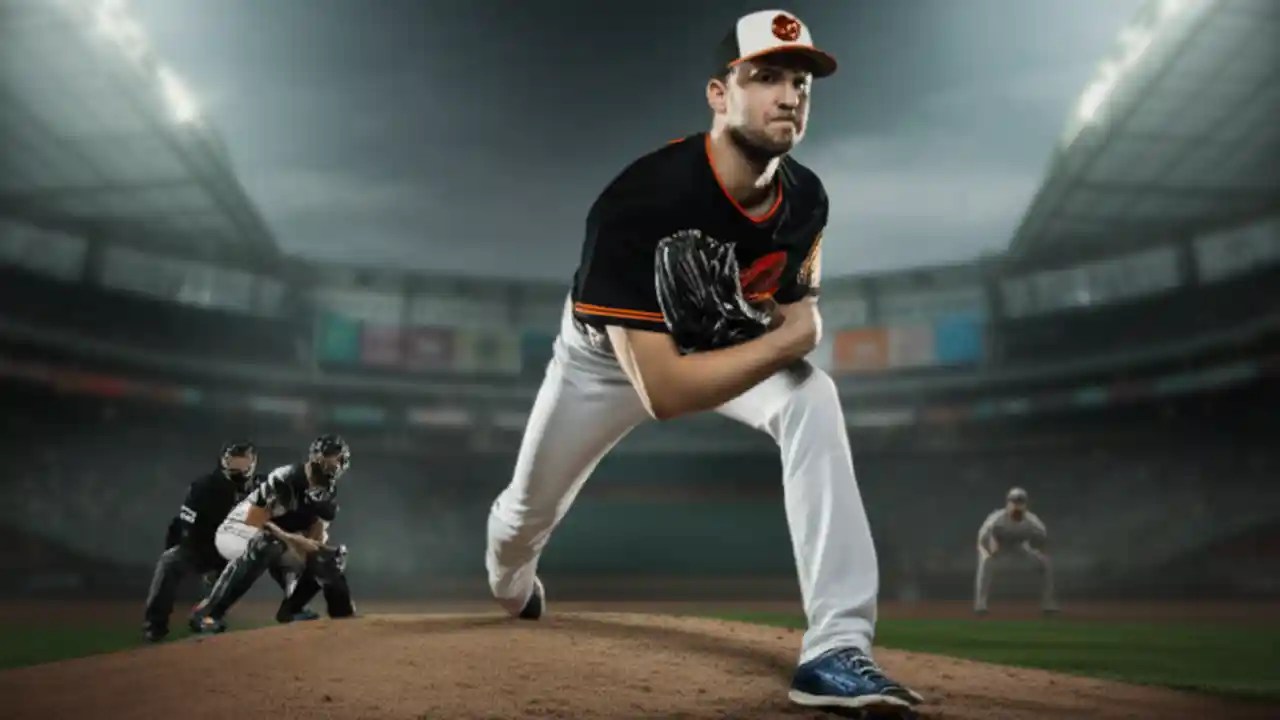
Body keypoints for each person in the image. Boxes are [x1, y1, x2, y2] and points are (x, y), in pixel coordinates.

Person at [484, 10, 923, 714]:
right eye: (767, 77)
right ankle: (513, 581)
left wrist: (788, 338)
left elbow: (795, 310)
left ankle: (838, 647)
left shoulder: (806, 196)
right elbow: (663, 391)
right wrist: (787, 340)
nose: (790, 96)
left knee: (813, 398)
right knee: (520, 520)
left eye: (802, 82)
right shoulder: (640, 202)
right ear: (719, 94)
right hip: (603, 364)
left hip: (721, 340)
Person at [189, 434, 356, 633]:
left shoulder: (328, 490)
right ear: (316, 456)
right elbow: (256, 521)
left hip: (279, 536)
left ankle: (294, 609)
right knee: (268, 544)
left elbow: (314, 538)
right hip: (238, 530)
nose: (336, 463)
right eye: (332, 455)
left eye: (339, 458)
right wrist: (294, 540)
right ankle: (208, 613)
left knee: (324, 559)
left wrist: (325, 555)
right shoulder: (287, 477)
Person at [141, 441, 260, 642]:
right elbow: (186, 527)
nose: (238, 466)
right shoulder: (203, 487)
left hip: (239, 550)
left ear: (253, 462)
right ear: (223, 461)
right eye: (233, 460)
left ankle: (208, 616)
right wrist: (209, 563)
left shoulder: (263, 488)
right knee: (169, 562)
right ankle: (154, 626)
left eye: (244, 460)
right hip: (201, 546)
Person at [974, 487, 1059, 615]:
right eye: (1014, 501)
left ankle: (1048, 603)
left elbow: (1045, 540)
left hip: (1020, 549)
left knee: (1045, 562)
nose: (1017, 505)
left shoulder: (1032, 521)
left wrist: (1041, 553)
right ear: (1008, 503)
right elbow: (981, 541)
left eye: (1020, 502)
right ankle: (980, 604)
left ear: (1025, 504)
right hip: (999, 550)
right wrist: (987, 553)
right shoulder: (996, 519)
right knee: (986, 562)